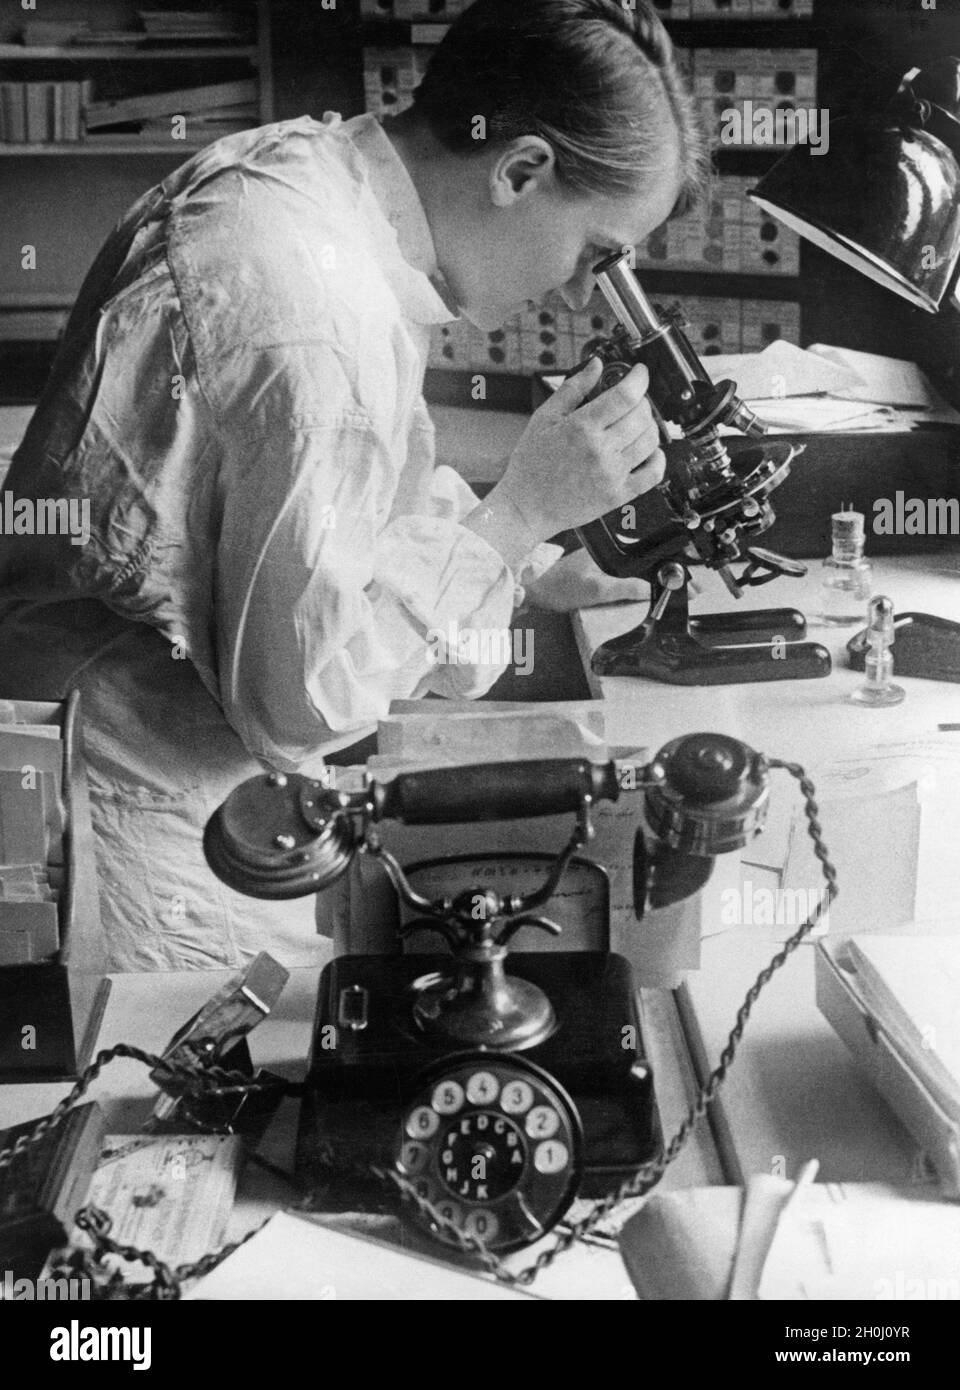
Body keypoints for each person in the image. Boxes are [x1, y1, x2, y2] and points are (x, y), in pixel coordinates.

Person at [0, 0, 706, 970]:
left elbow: (333, 508)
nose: (585, 294)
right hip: (135, 807)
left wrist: (530, 565)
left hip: (168, 761)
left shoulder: (310, 187)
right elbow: (300, 701)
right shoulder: (312, 315)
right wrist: (517, 515)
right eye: (597, 254)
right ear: (520, 170)